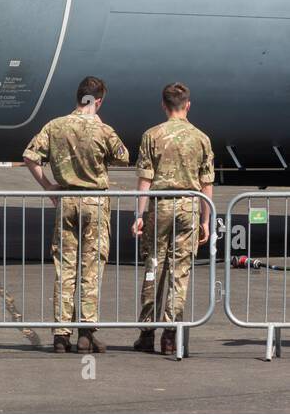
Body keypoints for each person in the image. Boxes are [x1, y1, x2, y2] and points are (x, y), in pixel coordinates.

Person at [23, 75, 131, 354]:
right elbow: (123, 156)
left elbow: (30, 156)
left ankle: (61, 334)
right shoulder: (103, 130)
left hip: (66, 199)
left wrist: (49, 186)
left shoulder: (56, 126)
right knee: (91, 268)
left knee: (65, 267)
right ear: (98, 101)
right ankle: (86, 332)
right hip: (94, 203)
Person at [131, 83, 215, 356]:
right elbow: (207, 184)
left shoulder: (151, 136)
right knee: (180, 270)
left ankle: (146, 331)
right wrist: (206, 220)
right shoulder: (201, 138)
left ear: (163, 106)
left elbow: (145, 179)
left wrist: (139, 215)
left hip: (160, 206)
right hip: (189, 206)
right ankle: (171, 332)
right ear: (187, 105)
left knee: (154, 266)